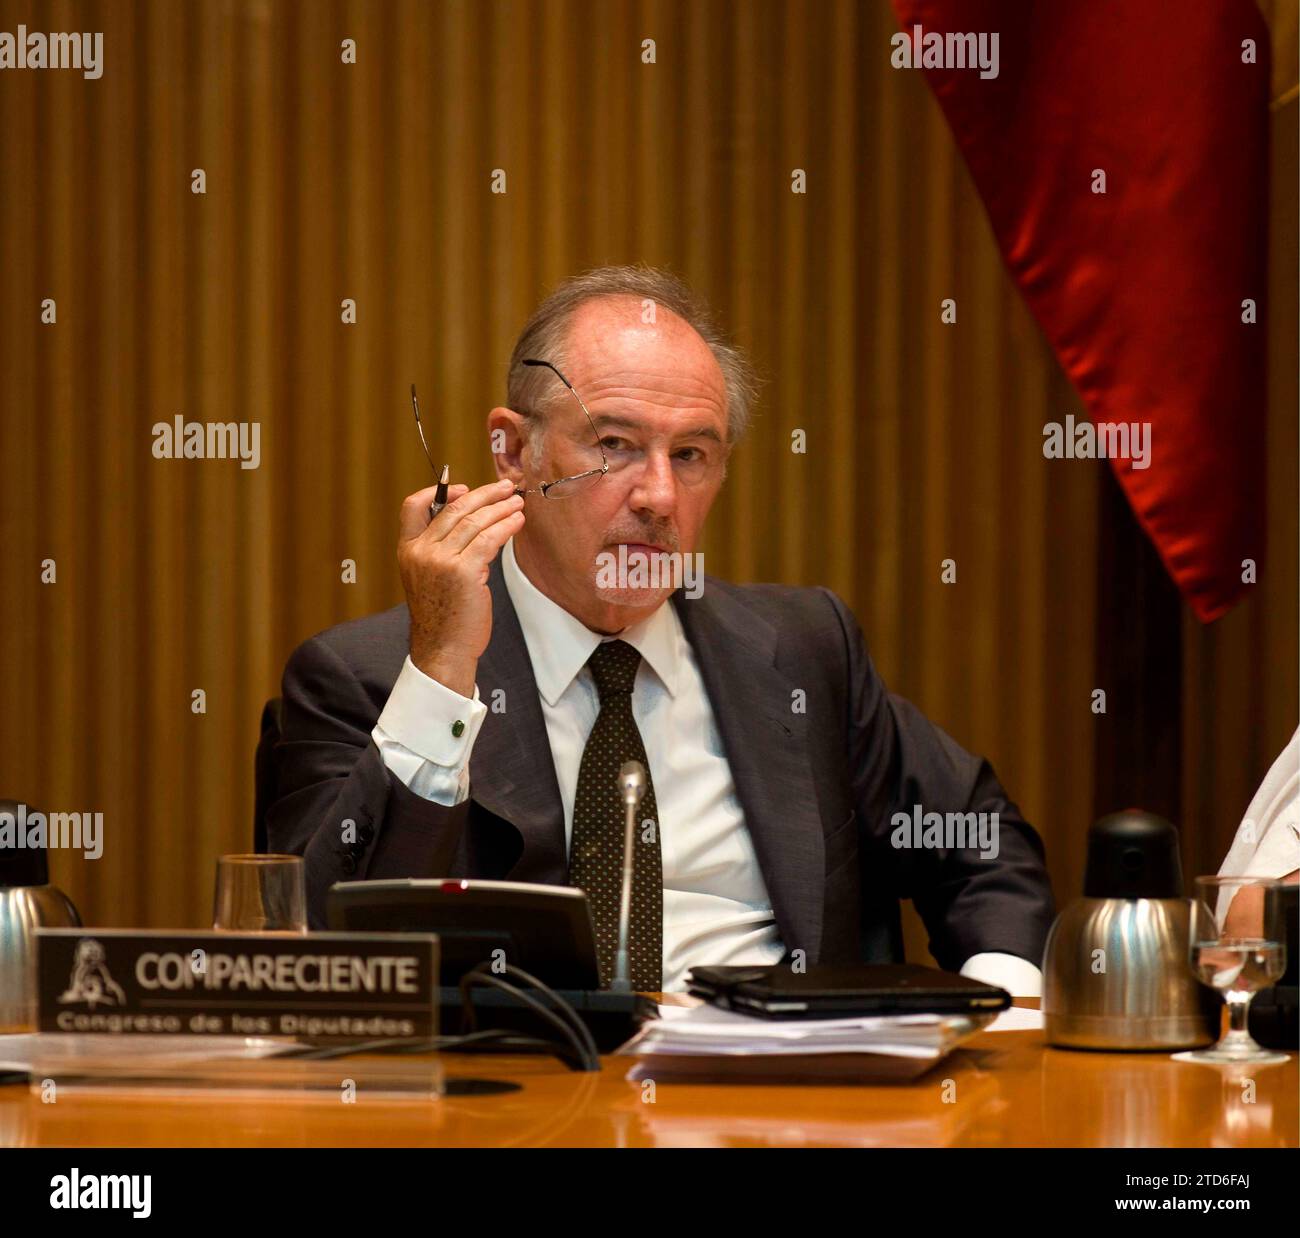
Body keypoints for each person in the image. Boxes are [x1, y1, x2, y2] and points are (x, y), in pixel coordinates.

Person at [266, 265, 1055, 994]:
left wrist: (1004, 1008)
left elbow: (978, 840)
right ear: (511, 450)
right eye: (614, 445)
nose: (659, 496)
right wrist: (440, 666)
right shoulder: (364, 678)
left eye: (691, 455)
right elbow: (329, 955)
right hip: (528, 1112)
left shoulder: (803, 648)